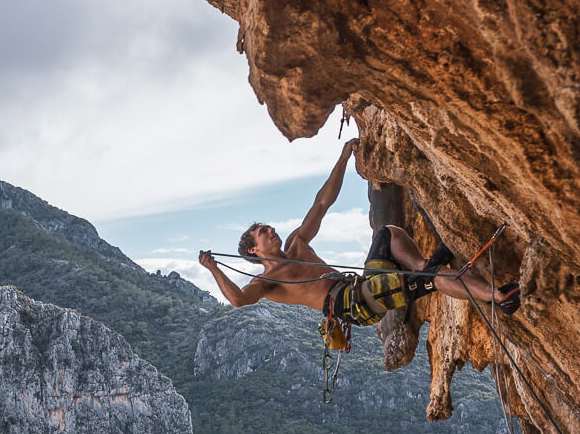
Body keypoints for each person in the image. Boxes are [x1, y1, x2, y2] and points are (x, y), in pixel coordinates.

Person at [197, 138, 519, 328]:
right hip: (351, 305)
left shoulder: (297, 243)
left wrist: (343, 158)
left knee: (387, 233)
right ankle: (498, 297)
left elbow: (322, 203)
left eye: (267, 226)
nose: (270, 229)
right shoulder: (267, 282)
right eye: (261, 232)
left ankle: (419, 266)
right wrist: (213, 268)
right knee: (434, 277)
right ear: (253, 250)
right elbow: (239, 301)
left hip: (359, 287)